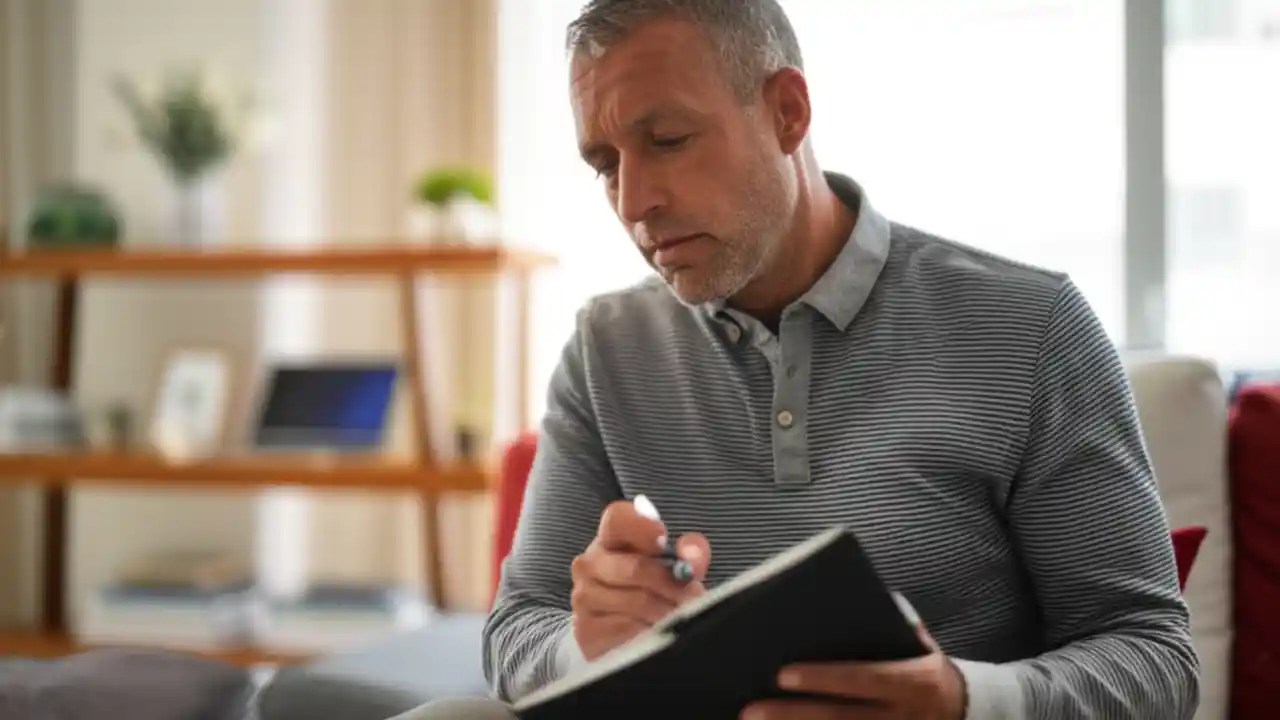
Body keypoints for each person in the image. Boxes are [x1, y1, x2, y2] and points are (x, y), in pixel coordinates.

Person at [396, 0, 1199, 718]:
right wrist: (594, 639)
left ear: (787, 110)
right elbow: (516, 630)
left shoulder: (1031, 327)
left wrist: (960, 701)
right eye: (605, 165)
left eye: (667, 140)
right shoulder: (607, 348)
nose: (634, 202)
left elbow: (1155, 661)